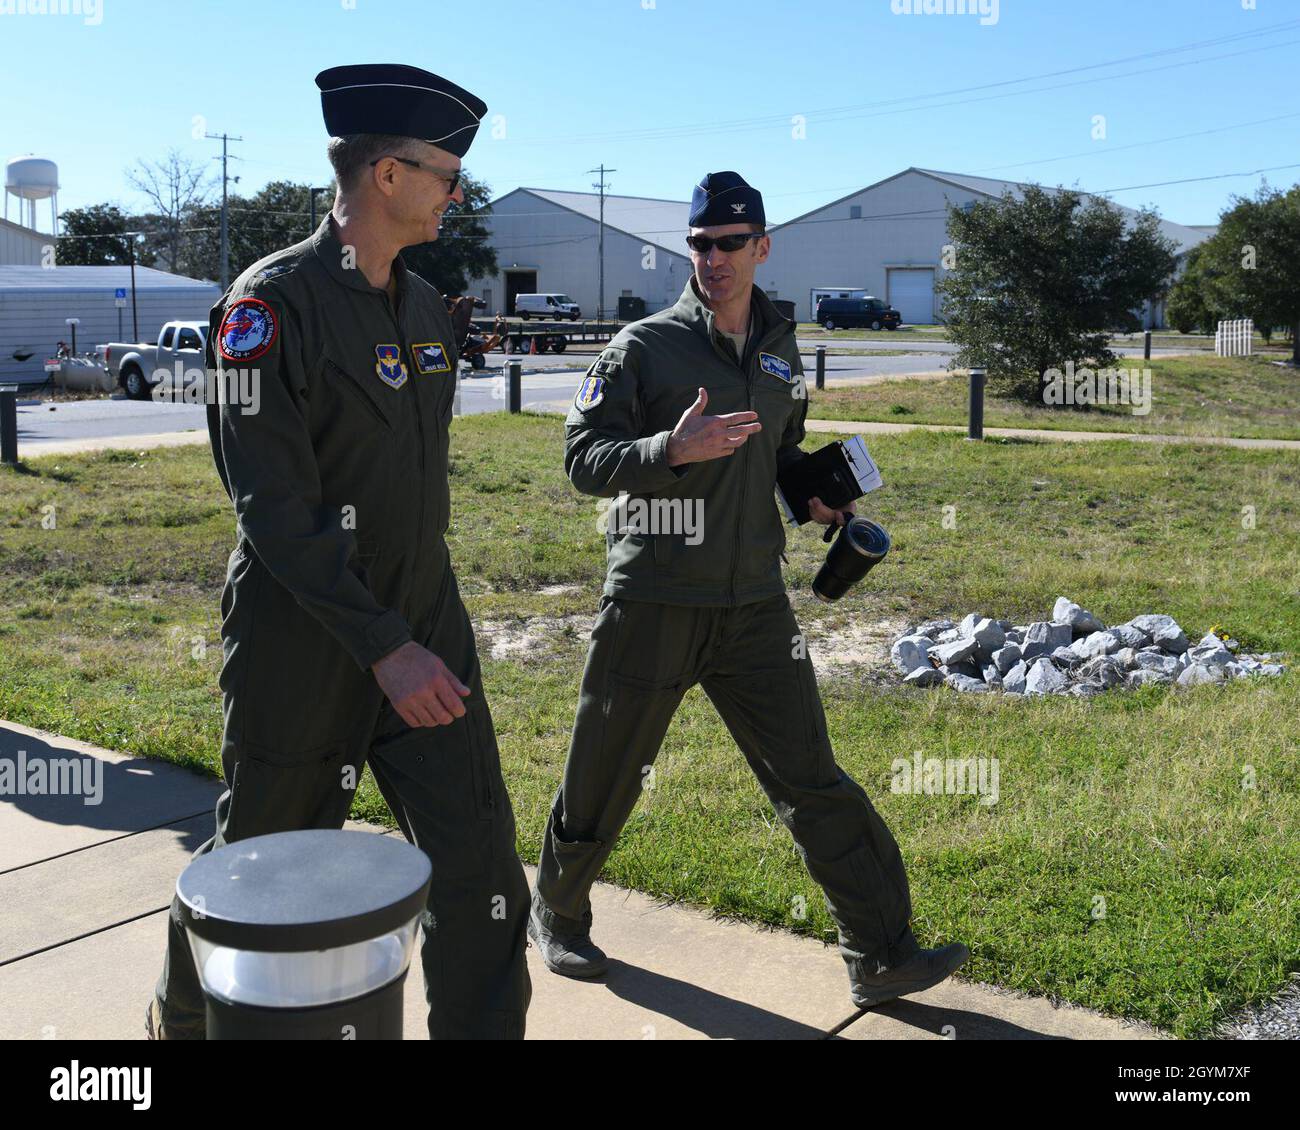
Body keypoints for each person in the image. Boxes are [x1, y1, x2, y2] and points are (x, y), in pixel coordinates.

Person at [148, 64, 531, 1040]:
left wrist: (416, 633)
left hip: (422, 618)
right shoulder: (265, 307)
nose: (457, 193)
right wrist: (380, 644)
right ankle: (180, 1031)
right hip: (304, 636)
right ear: (388, 176)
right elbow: (271, 509)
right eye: (446, 174)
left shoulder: (419, 306)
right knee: (257, 871)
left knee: (481, 864)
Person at [530, 171, 968, 1010]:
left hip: (754, 604)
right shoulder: (645, 348)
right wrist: (669, 450)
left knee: (811, 776)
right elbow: (582, 460)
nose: (715, 258)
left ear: (762, 248)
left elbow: (779, 447)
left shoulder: (777, 347)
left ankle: (879, 953)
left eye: (732, 244)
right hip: (654, 594)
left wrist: (810, 488)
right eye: (701, 244)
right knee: (605, 774)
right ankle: (555, 912)